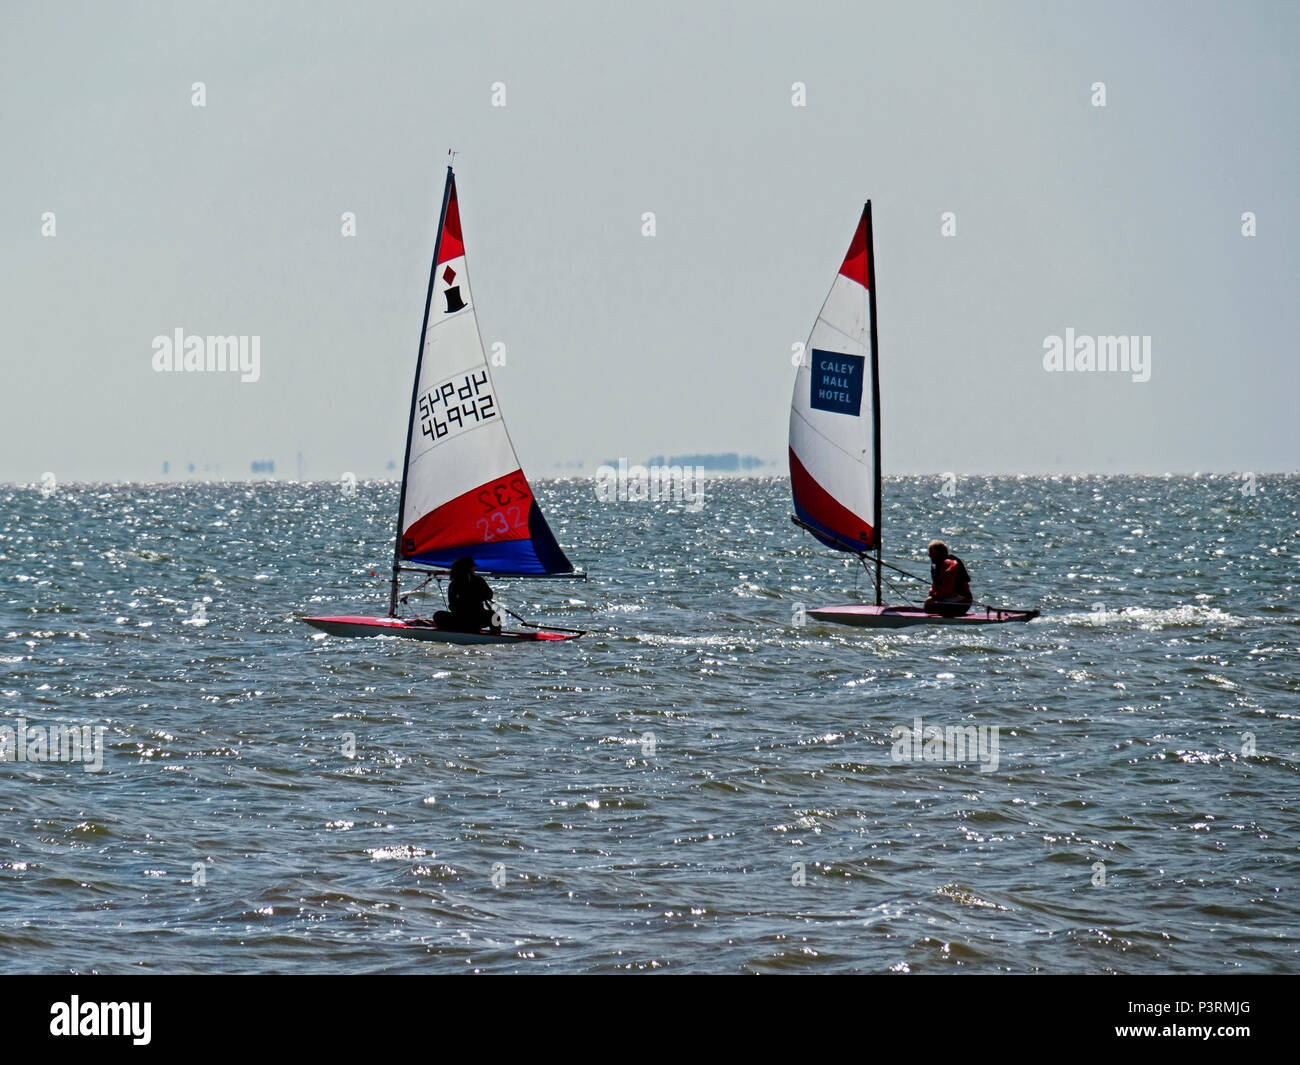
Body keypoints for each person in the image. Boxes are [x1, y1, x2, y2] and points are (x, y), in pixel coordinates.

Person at [433, 557, 498, 632]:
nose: (474, 569)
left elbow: (452, 605)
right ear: (470, 568)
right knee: (494, 615)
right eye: (473, 567)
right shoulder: (478, 580)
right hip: (475, 620)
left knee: (438, 615)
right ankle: (496, 633)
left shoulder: (454, 583)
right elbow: (489, 595)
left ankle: (450, 630)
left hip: (460, 619)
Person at [924, 540, 972, 617]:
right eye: (929, 554)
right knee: (928, 607)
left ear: (938, 553)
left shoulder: (950, 564)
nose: (930, 556)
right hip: (949, 598)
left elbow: (947, 586)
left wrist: (934, 597)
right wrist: (931, 596)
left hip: (962, 601)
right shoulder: (937, 566)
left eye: (931, 553)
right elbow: (935, 585)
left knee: (930, 608)